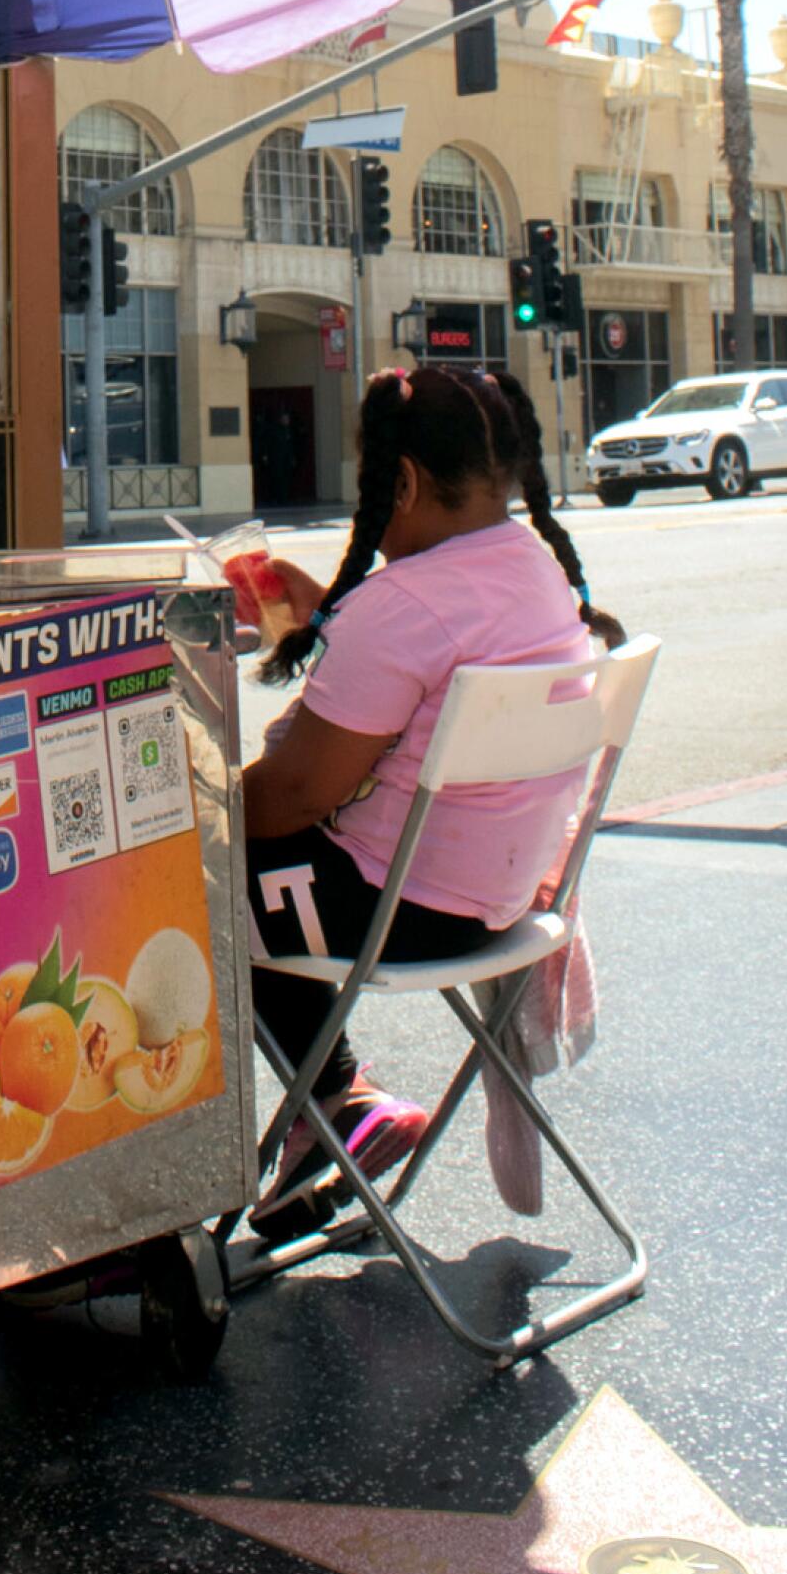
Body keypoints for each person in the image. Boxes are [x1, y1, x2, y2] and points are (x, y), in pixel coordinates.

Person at [240, 364, 623, 1243]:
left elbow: (290, 797)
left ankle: (329, 1102)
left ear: (402, 482)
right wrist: (328, 618)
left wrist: (183, 807)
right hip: (511, 908)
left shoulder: (403, 606)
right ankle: (330, 1111)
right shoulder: (539, 577)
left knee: (193, 870)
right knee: (251, 867)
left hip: (396, 913)